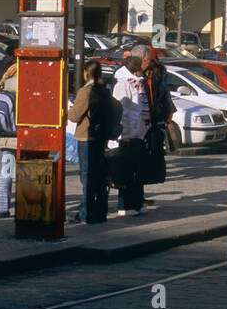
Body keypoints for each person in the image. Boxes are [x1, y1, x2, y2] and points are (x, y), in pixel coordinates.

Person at [70, 61, 119, 223]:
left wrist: (68, 109)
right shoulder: (104, 90)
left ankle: (86, 213)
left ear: (86, 73)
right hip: (101, 137)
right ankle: (100, 212)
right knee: (99, 176)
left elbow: (75, 116)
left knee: (87, 176)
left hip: (86, 137)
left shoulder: (85, 92)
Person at [111, 52, 149, 216]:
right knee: (126, 172)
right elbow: (122, 111)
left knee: (136, 171)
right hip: (128, 135)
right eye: (141, 69)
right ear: (135, 70)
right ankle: (125, 206)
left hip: (138, 133)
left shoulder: (137, 84)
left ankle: (136, 203)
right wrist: (123, 134)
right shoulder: (123, 84)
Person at [140, 54, 173, 185]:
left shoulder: (154, 75)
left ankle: (152, 175)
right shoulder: (157, 74)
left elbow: (163, 96)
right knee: (156, 148)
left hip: (153, 116)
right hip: (156, 116)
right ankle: (155, 175)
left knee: (153, 148)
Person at [0, 59, 18, 218]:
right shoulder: (26, 85)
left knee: (6, 173)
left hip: (5, 137)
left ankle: (2, 208)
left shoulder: (3, 86)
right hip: (22, 136)